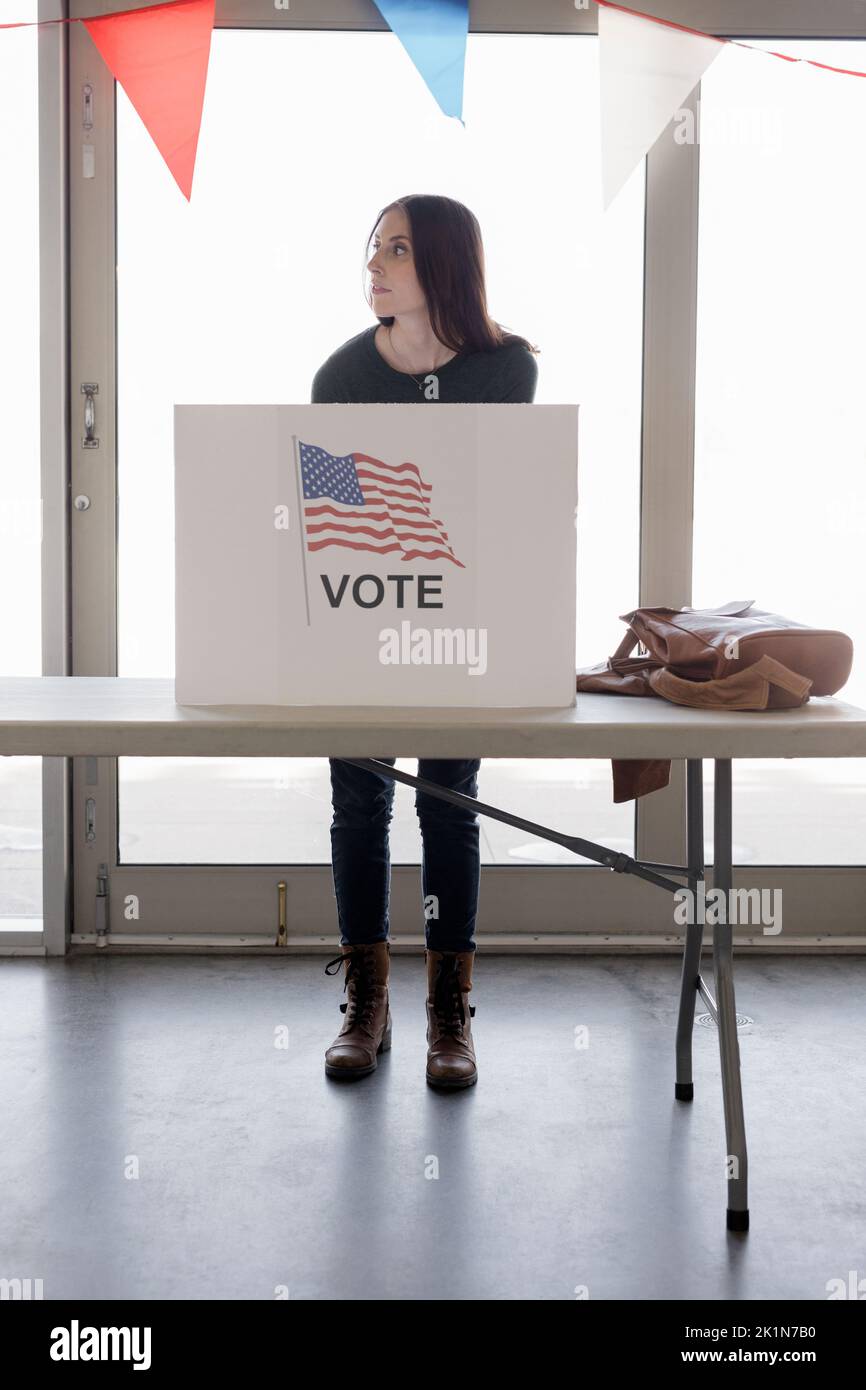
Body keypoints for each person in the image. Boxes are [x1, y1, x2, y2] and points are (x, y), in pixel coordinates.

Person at [310, 194, 539, 1089]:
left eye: (396, 250)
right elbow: (333, 515)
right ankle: (368, 999)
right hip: (360, 614)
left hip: (463, 618)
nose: (374, 265)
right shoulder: (339, 375)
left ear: (442, 263)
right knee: (359, 801)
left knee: (449, 797)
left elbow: (505, 501)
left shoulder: (507, 369)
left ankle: (451, 1009)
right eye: (373, 248)